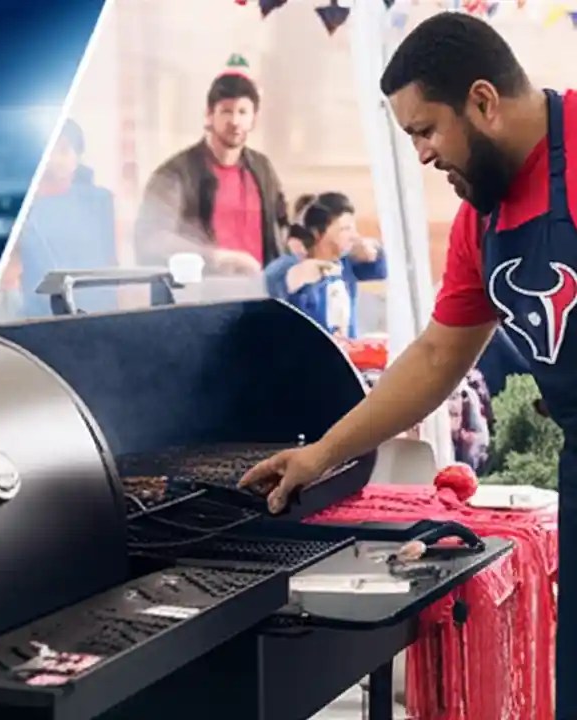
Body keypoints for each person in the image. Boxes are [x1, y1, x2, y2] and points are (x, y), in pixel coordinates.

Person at [237, 13, 574, 717]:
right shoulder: (480, 219)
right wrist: (321, 455)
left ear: (482, 101)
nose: (422, 154)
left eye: (426, 130)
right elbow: (434, 359)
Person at [133, 65, 289, 278]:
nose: (235, 121)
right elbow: (152, 238)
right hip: (203, 295)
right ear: (209, 114)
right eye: (226, 111)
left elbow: (282, 225)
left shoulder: (263, 169)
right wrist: (214, 257)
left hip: (260, 293)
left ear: (254, 118)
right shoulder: (176, 173)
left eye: (243, 112)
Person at [15, 119, 119, 318]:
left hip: (97, 311)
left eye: (63, 150)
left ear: (78, 156)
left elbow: (113, 262)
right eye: (49, 150)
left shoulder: (100, 202)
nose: (55, 159)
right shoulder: (26, 206)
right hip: (38, 315)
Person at [264, 192, 387, 338]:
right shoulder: (288, 266)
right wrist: (296, 279)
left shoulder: (346, 263)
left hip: (346, 352)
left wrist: (374, 250)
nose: (355, 236)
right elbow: (270, 289)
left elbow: (382, 270)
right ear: (317, 233)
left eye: (353, 228)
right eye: (345, 229)